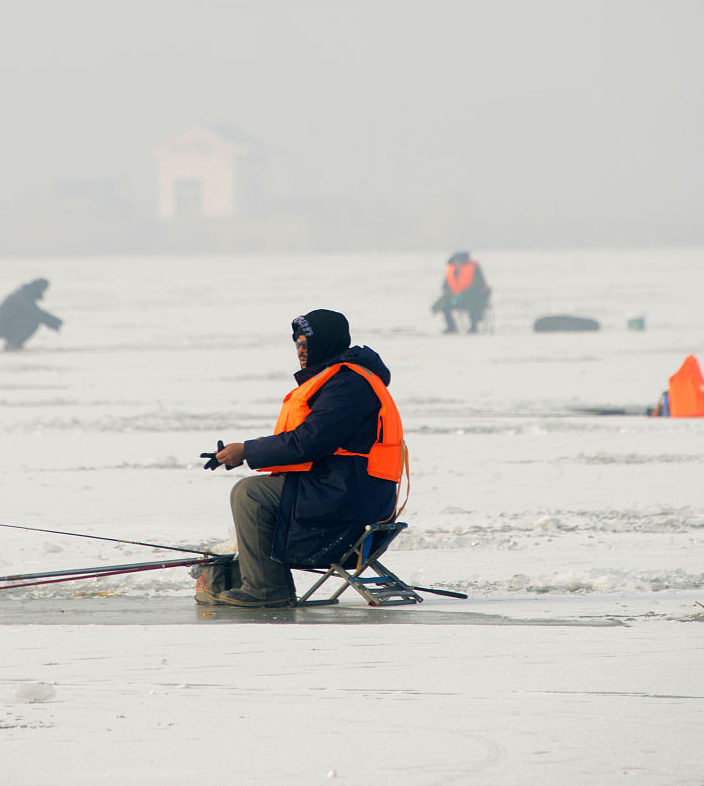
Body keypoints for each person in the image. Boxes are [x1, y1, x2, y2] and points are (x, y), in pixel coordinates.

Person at [200, 309, 405, 608]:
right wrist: (246, 452)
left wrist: (247, 450)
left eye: (307, 344)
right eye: (297, 343)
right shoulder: (345, 379)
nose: (300, 350)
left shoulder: (348, 385)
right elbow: (312, 441)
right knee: (264, 490)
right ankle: (265, 581)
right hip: (350, 490)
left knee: (249, 494)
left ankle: (266, 589)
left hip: (348, 499)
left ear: (328, 343)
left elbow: (310, 441)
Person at [0, 278, 63, 351]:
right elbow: (35, 313)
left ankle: (13, 344)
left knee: (32, 320)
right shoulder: (23, 296)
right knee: (32, 321)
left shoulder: (25, 294)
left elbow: (35, 311)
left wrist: (53, 321)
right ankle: (13, 344)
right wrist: (53, 322)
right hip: (2, 326)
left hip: (7, 324)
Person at [431, 251, 490, 334]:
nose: (457, 263)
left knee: (473, 304)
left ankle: (474, 326)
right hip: (456, 298)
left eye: (459, 261)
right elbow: (445, 286)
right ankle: (451, 327)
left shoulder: (474, 269)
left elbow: (477, 285)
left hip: (474, 297)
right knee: (444, 304)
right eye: (455, 261)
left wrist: (463, 294)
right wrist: (452, 295)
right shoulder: (451, 271)